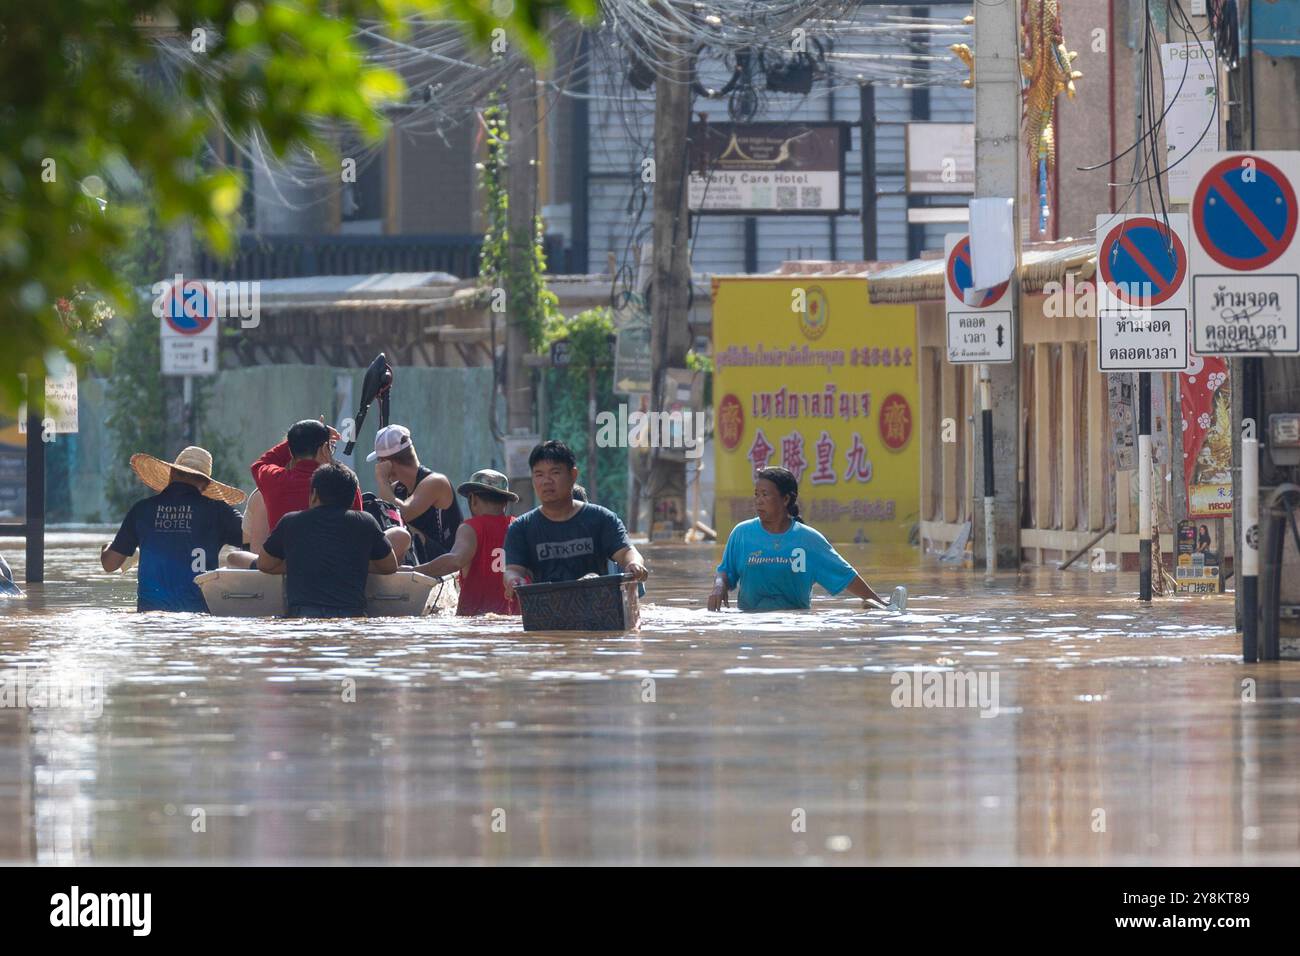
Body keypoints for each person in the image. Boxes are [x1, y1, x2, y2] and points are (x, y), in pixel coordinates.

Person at [227, 419, 408, 567]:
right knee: (399, 535)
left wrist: (294, 441)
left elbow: (259, 464)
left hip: (288, 567)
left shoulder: (274, 481)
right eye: (330, 447)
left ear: (290, 451)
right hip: (340, 568)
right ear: (323, 449)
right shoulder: (345, 482)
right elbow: (357, 528)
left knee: (233, 557)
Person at [708, 466, 887, 612]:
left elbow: (845, 575)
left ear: (785, 499)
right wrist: (718, 586)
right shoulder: (742, 533)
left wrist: (881, 604)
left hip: (794, 625)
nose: (758, 501)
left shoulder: (808, 539)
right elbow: (725, 571)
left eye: (765, 494)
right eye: (756, 494)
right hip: (751, 625)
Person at [100, 446, 246, 612]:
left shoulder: (142, 510)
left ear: (171, 474)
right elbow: (254, 541)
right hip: (200, 619)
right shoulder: (219, 512)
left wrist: (107, 547)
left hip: (150, 619)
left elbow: (110, 564)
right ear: (205, 485)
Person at [502, 440, 648, 601]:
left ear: (573, 475)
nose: (546, 481)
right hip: (548, 611)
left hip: (599, 609)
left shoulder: (601, 518)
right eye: (539, 474)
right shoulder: (521, 528)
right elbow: (513, 569)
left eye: (555, 473)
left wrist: (634, 564)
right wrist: (513, 580)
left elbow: (627, 552)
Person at [256, 462, 398, 618]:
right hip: (351, 616)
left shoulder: (291, 522)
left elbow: (264, 563)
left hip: (302, 617)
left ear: (314, 494)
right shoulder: (365, 522)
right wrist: (352, 562)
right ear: (352, 498)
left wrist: (303, 563)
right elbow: (390, 565)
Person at [415, 469, 520, 616]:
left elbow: (455, 561)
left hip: (474, 624)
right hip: (512, 625)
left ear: (473, 499)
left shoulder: (471, 527)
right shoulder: (519, 527)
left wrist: (416, 571)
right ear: (505, 503)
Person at [370, 424, 462, 562]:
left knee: (402, 530)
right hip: (418, 561)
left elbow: (399, 514)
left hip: (445, 562)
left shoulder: (436, 482)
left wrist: (382, 480)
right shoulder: (397, 489)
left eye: (379, 461)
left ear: (386, 462)